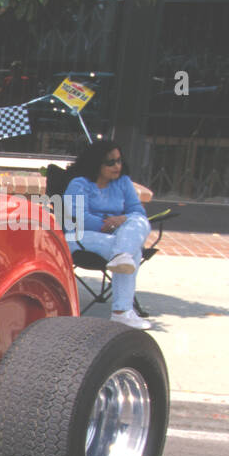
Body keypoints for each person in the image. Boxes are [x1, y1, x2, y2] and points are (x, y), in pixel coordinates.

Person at [63, 139, 153, 330]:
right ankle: (122, 312)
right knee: (131, 253)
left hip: (115, 237)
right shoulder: (78, 184)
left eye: (119, 160)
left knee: (140, 222)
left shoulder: (123, 183)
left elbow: (137, 212)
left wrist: (122, 220)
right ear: (96, 163)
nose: (117, 166)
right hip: (78, 237)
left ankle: (121, 256)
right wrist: (113, 223)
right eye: (110, 162)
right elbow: (79, 219)